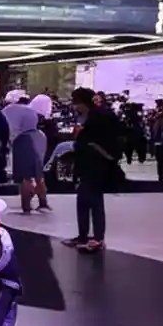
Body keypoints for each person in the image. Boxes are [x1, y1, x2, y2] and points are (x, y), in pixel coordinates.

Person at [64, 87, 122, 254]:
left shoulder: (100, 117)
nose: (75, 107)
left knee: (95, 200)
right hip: (86, 164)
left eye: (76, 103)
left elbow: (105, 141)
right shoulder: (88, 117)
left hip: (96, 165)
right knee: (83, 200)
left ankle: (98, 238)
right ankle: (83, 236)